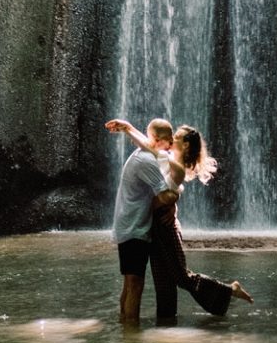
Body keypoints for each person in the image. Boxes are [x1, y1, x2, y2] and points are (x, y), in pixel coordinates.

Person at [106, 118, 253, 320]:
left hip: (164, 226)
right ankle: (166, 323)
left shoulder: (173, 163)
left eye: (176, 137)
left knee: (180, 275)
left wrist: (129, 129)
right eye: (170, 136)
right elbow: (150, 144)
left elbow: (150, 147)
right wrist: (128, 129)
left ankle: (228, 290)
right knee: (163, 281)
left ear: (184, 145)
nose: (172, 138)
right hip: (153, 225)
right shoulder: (164, 157)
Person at [108, 116, 178, 323]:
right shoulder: (146, 161)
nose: (172, 143)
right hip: (134, 228)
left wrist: (128, 127)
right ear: (157, 140)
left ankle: (125, 327)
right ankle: (131, 336)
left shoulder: (146, 153)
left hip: (130, 226)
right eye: (168, 139)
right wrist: (177, 194)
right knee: (135, 284)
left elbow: (144, 140)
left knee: (130, 283)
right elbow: (165, 195)